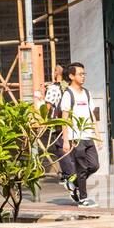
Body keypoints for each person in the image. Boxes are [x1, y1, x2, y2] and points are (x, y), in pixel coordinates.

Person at [58, 62, 100, 208]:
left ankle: (73, 182)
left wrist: (98, 135)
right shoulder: (68, 95)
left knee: (94, 166)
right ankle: (83, 198)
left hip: (88, 136)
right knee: (81, 168)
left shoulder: (87, 93)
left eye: (84, 74)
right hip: (75, 137)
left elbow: (93, 116)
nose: (83, 77)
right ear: (71, 76)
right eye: (80, 74)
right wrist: (65, 141)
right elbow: (64, 119)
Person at [42, 65, 69, 187]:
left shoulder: (53, 88)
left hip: (57, 122)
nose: (53, 72)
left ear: (57, 73)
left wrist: (42, 119)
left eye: (54, 70)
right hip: (69, 122)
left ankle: (67, 174)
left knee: (60, 148)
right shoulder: (68, 87)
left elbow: (48, 106)